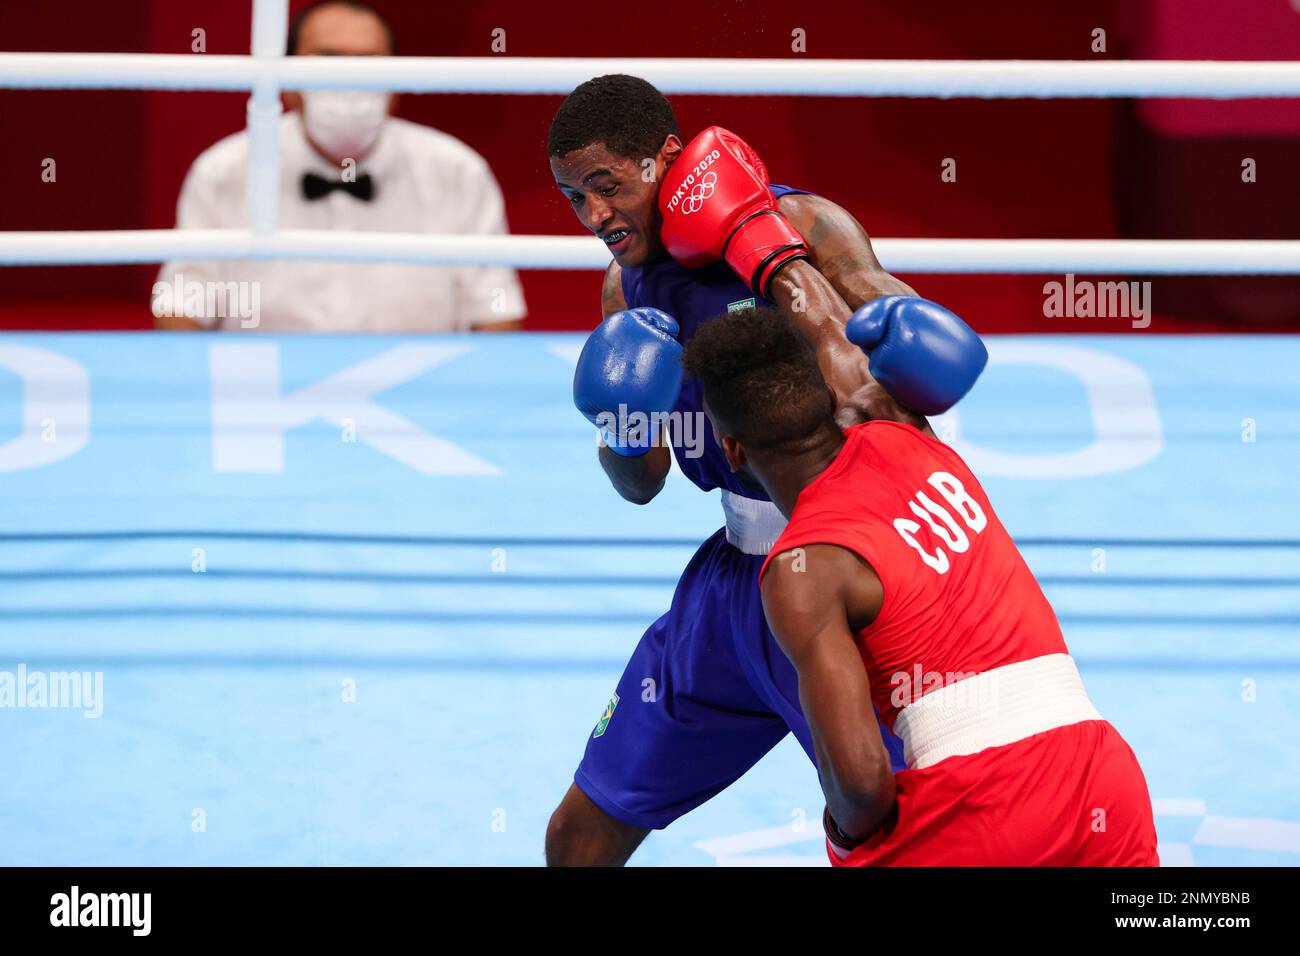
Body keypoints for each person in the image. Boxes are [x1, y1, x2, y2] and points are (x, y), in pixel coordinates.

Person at [547, 74, 987, 865]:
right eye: (574, 198)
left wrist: (776, 265)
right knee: (578, 839)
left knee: (924, 839)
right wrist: (620, 420)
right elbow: (640, 483)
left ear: (666, 159)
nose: (595, 217)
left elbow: (925, 385)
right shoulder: (626, 288)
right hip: (732, 589)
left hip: (853, 579)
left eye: (605, 187)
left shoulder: (804, 222)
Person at [681, 304, 1159, 866]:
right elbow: (836, 318)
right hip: (1101, 772)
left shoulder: (802, 568)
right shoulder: (908, 431)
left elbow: (860, 784)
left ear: (732, 449)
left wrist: (843, 838)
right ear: (830, 399)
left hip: (980, 805)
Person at [154, 0, 524, 333]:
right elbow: (181, 308)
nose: (349, 79)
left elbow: (495, 312)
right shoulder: (223, 170)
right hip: (261, 390)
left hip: (418, 390)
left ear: (397, 84)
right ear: (286, 82)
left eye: (369, 63)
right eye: (328, 58)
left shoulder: (458, 171)